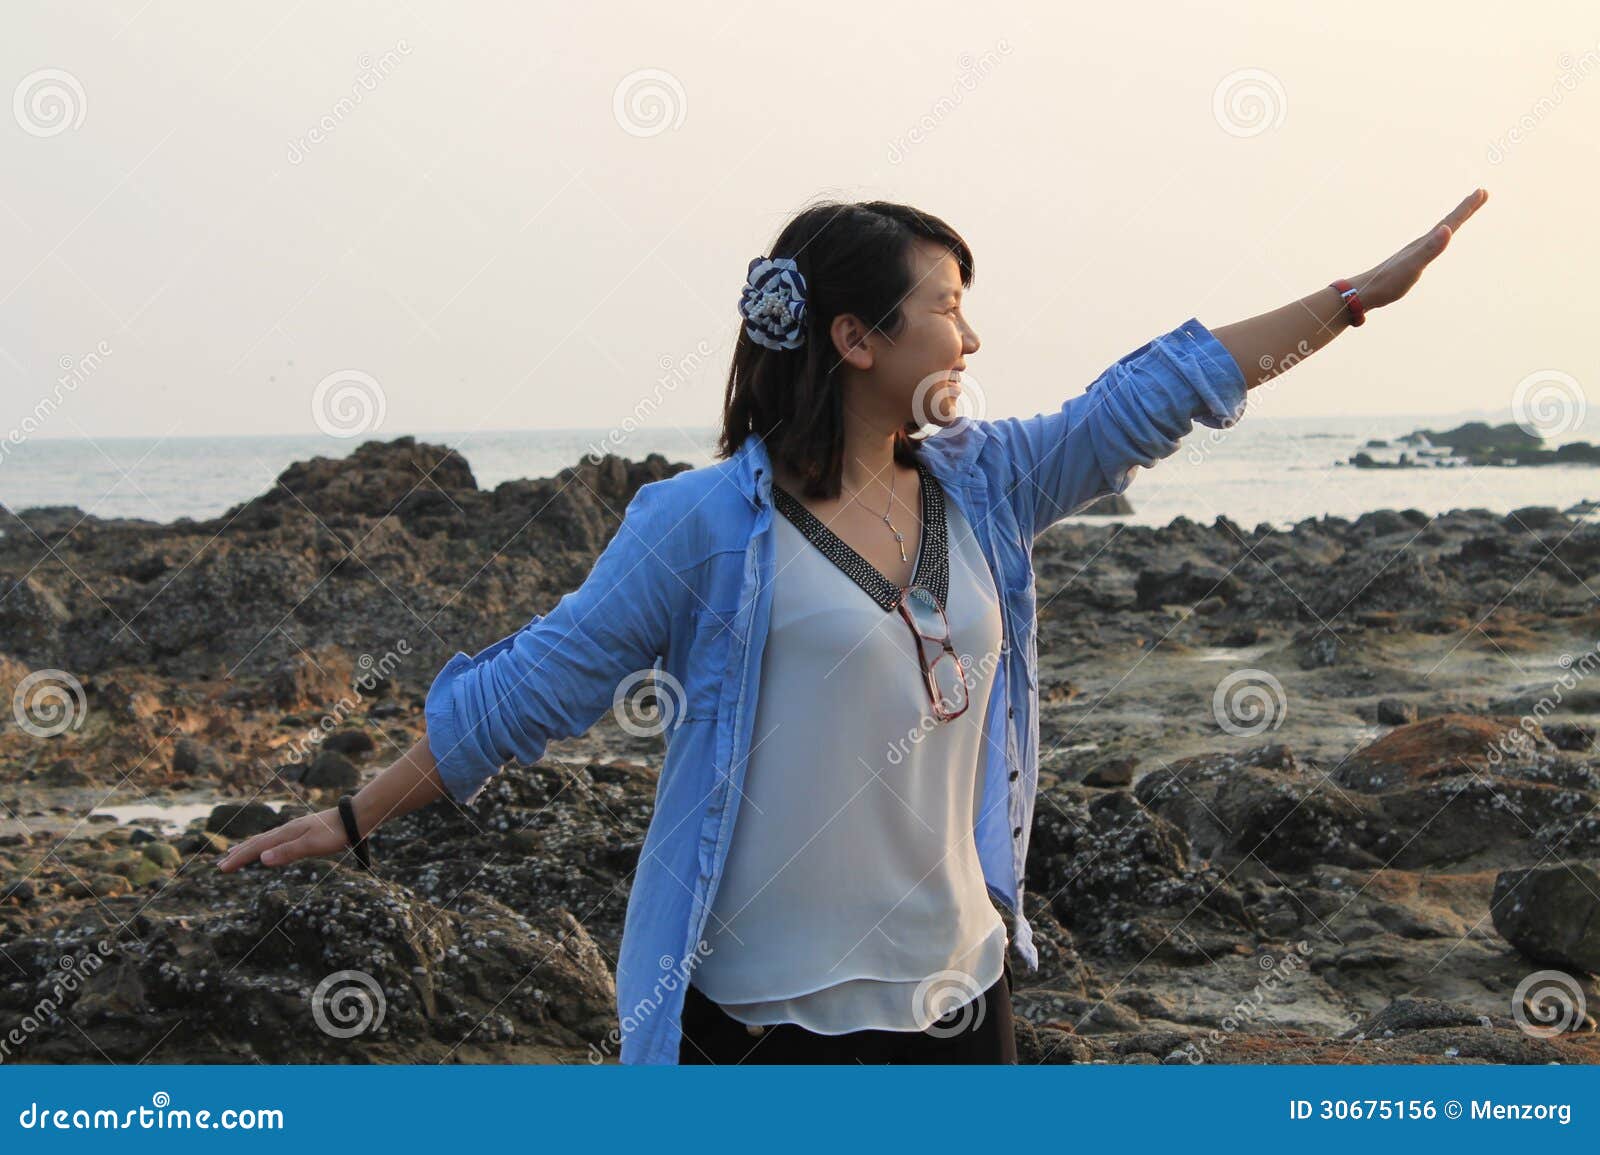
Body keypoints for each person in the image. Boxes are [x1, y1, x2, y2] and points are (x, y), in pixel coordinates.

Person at [218, 189, 1490, 1064]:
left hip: (961, 999)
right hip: (758, 1024)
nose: (971, 333)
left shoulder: (987, 485)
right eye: (945, 305)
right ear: (852, 335)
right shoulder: (703, 524)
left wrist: (1351, 298)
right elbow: (526, 693)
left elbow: (1150, 395)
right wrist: (349, 819)